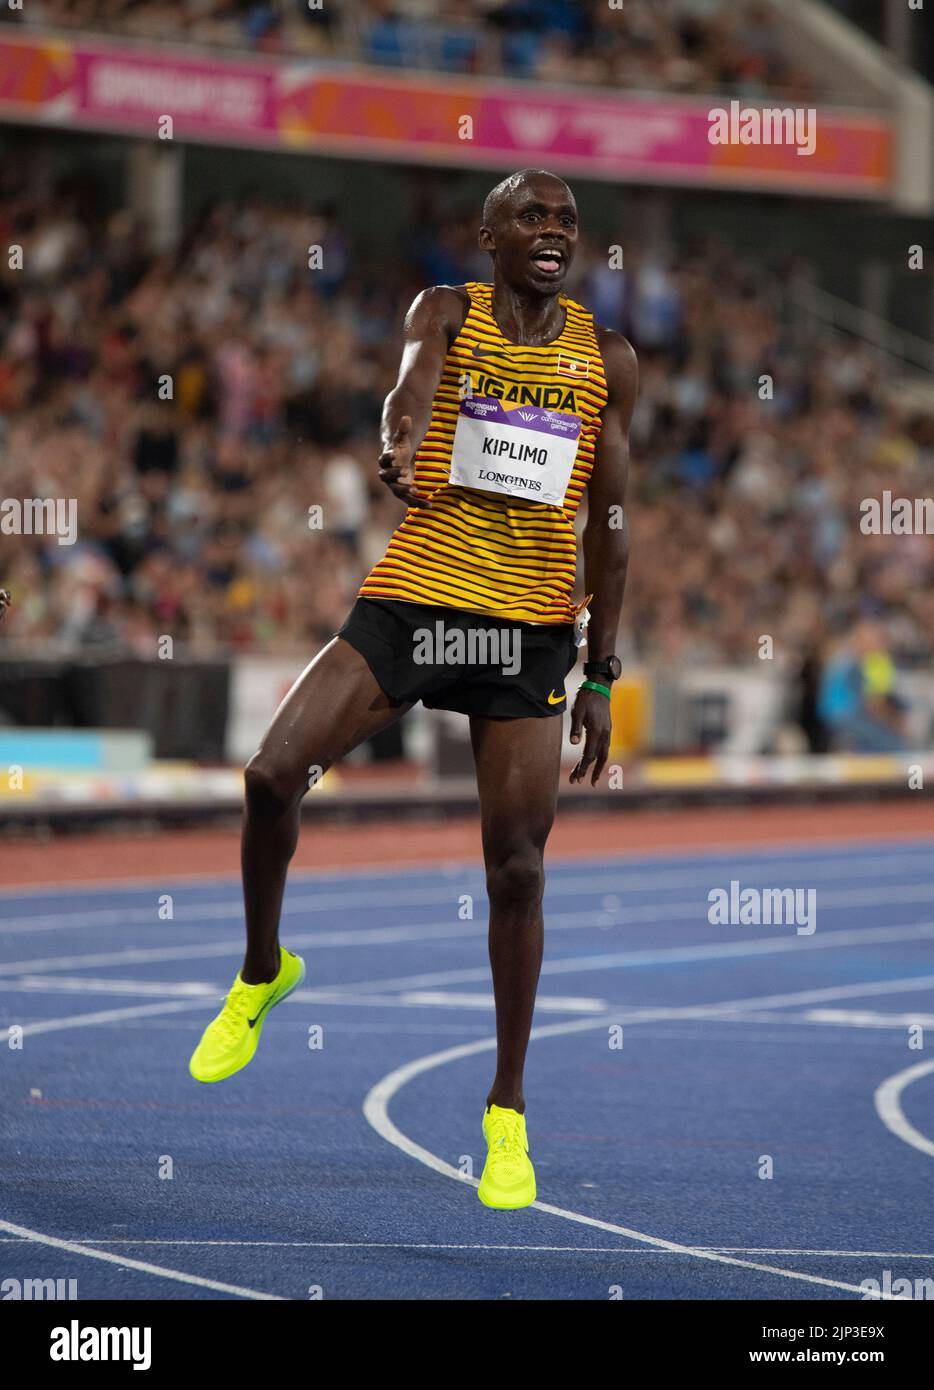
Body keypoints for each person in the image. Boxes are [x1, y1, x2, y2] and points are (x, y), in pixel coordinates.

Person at [189, 168, 638, 1210]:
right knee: (269, 774)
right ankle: (262, 972)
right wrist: (397, 441)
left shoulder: (605, 358)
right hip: (418, 599)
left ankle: (506, 1111)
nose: (552, 232)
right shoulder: (445, 310)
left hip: (528, 629)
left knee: (518, 869)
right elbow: (410, 389)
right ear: (487, 235)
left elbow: (612, 523)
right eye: (531, 215)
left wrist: (602, 668)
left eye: (565, 220)